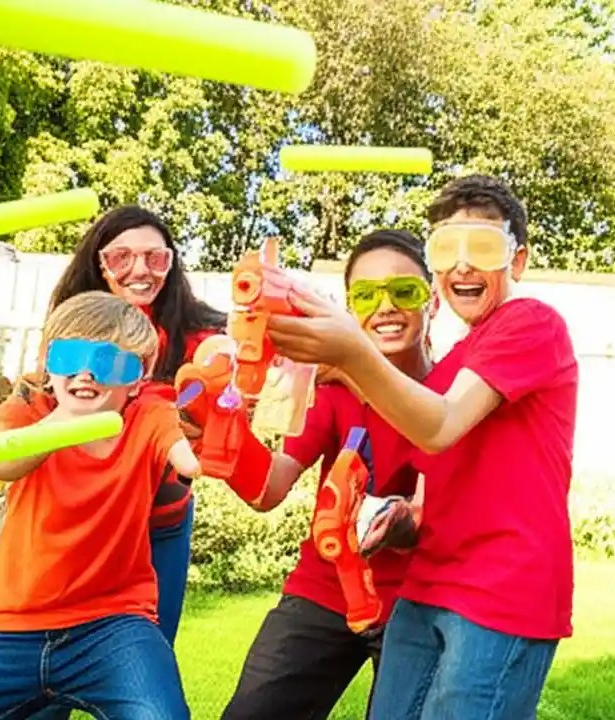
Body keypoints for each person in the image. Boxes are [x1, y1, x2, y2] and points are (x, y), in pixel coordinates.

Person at [266, 174, 578, 719]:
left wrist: (349, 351)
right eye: (445, 248)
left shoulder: (531, 322)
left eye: (482, 247)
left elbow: (438, 424)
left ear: (518, 261)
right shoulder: (456, 363)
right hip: (429, 582)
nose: (462, 264)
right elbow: (421, 438)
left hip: (504, 590)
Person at [0, 291, 197, 719]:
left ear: (137, 379)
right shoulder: (26, 413)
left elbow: (186, 457)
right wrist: (64, 420)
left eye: (107, 361)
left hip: (113, 625)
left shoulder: (148, 417)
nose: (86, 372)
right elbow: (0, 459)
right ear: (49, 366)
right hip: (9, 629)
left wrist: (211, 429)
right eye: (69, 356)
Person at [221, 229, 438, 719]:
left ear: (433, 303)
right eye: (366, 295)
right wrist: (221, 434)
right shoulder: (334, 390)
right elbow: (269, 488)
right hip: (325, 587)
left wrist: (399, 522)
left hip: (417, 600)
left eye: (404, 292)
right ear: (349, 310)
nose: (385, 307)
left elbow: (425, 514)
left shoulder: (451, 395)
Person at [48, 205, 228, 648]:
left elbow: (222, 358)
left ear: (172, 262)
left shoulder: (197, 334)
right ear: (99, 263)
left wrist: (233, 362)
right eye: (121, 257)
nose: (140, 271)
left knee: (148, 651)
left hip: (160, 518)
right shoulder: (73, 330)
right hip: (82, 520)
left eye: (155, 257)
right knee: (50, 655)